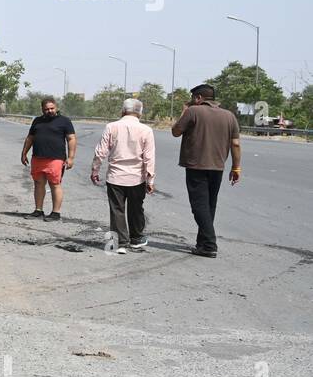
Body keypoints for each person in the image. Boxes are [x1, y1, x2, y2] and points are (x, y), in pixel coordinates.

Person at [171, 83, 241, 258]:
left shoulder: (193, 111)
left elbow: (175, 131)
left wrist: (184, 111)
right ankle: (202, 243)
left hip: (197, 166)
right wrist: (236, 166)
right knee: (209, 206)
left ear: (198, 98)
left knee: (199, 207)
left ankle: (209, 244)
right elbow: (236, 144)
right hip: (218, 167)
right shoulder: (229, 116)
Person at [90, 98, 156, 253]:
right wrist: (150, 179)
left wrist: (95, 170)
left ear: (123, 111)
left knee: (117, 210)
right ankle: (136, 238)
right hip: (137, 177)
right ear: (140, 113)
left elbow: (100, 152)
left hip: (115, 176)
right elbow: (149, 158)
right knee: (136, 208)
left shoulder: (111, 127)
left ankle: (121, 243)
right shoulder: (146, 130)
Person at [21, 97, 76, 220]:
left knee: (55, 184)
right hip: (38, 158)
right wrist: (24, 153)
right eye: (46, 109)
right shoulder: (37, 121)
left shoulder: (64, 121)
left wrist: (71, 157)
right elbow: (30, 138)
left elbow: (71, 139)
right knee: (38, 184)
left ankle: (55, 213)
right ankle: (38, 210)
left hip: (56, 159)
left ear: (56, 107)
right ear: (42, 109)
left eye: (52, 108)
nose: (50, 111)